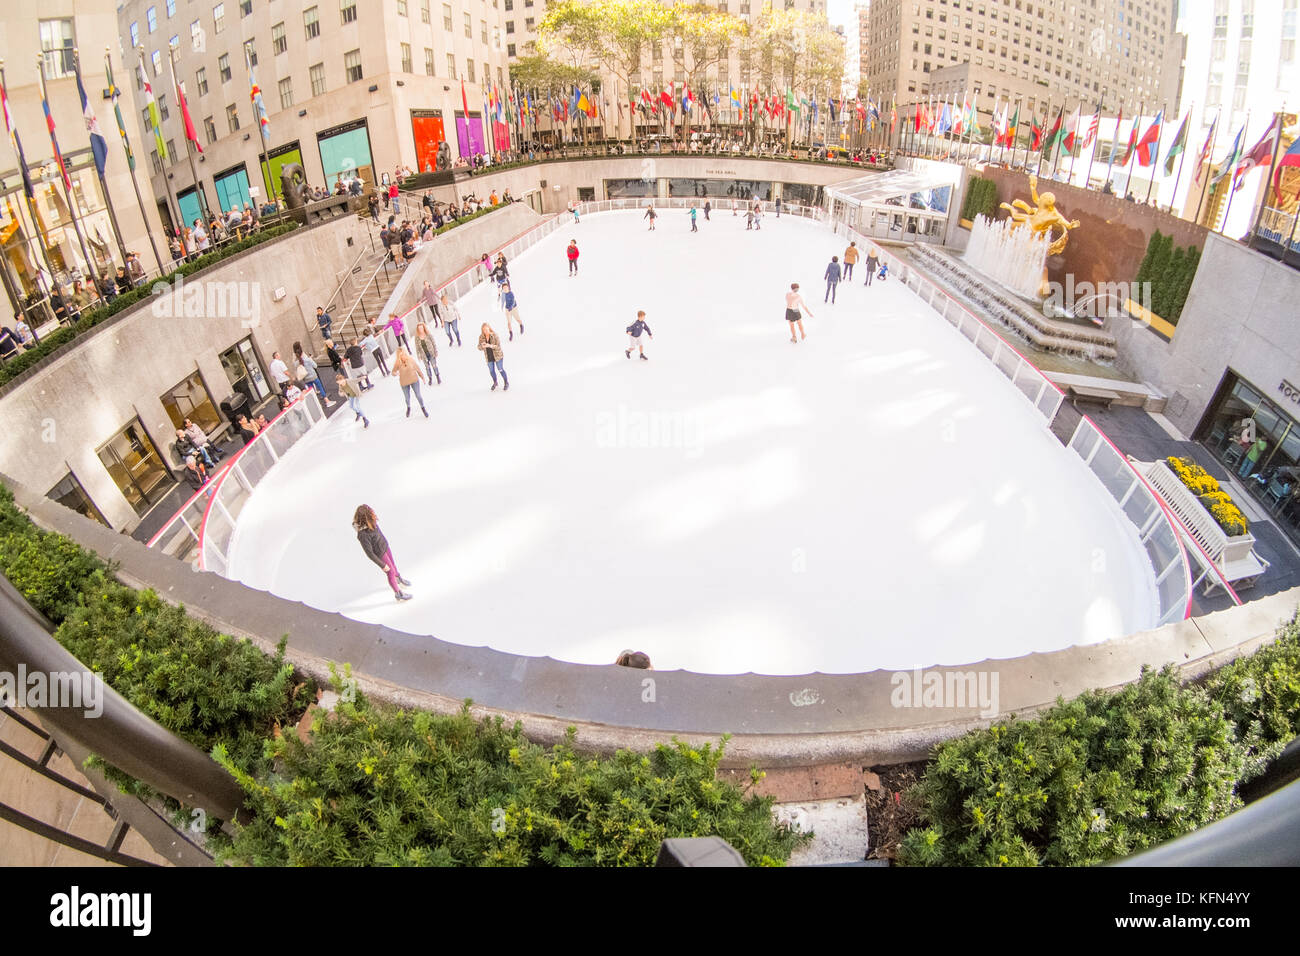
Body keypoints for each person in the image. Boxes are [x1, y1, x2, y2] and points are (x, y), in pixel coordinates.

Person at [354, 504, 412, 602]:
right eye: (371, 514)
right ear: (366, 518)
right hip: (379, 553)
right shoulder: (363, 535)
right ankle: (398, 593)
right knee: (390, 572)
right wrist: (382, 565)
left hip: (385, 547)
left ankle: (398, 578)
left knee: (393, 565)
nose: (375, 516)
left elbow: (379, 534)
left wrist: (386, 543)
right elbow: (369, 553)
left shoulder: (372, 522)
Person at [392, 346, 429, 418]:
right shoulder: (397, 363)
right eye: (401, 355)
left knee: (418, 395)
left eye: (404, 354)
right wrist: (395, 374)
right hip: (404, 383)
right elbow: (393, 372)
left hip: (414, 380)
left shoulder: (410, 359)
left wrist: (422, 377)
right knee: (407, 398)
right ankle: (408, 407)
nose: (403, 356)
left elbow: (417, 369)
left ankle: (423, 408)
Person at [294, 341, 334, 406]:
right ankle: (327, 401)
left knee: (312, 391)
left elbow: (296, 366)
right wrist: (310, 358)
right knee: (320, 388)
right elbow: (315, 366)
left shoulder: (296, 363)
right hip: (313, 376)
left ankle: (317, 404)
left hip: (306, 379)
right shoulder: (307, 359)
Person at [477, 322, 509, 391]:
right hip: (489, 357)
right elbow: (478, 347)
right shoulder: (481, 337)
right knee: (491, 371)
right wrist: (482, 346)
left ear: (489, 328)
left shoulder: (495, 335)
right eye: (484, 330)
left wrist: (490, 346)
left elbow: (498, 347)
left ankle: (506, 382)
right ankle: (495, 382)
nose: (485, 331)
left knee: (500, 369)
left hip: (497, 356)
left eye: (486, 329)